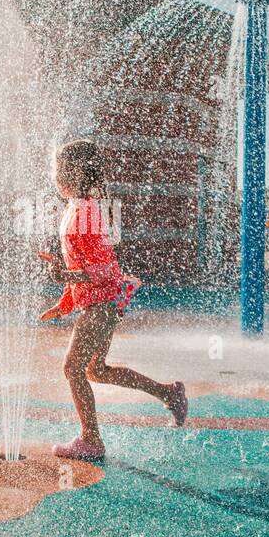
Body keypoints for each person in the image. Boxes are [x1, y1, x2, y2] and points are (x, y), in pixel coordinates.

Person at [38, 140, 187, 462]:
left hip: (103, 302)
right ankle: (169, 393)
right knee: (97, 370)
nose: (54, 178)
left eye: (58, 171)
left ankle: (91, 440)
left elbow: (104, 269)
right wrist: (65, 299)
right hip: (101, 301)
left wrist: (65, 278)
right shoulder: (77, 208)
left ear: (74, 174)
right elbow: (82, 264)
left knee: (73, 368)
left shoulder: (86, 212)